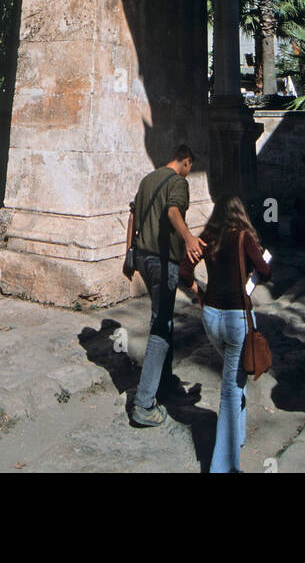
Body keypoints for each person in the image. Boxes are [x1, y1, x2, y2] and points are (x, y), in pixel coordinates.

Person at [180, 194, 271, 473]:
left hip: (211, 316)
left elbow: (184, 271)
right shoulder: (245, 237)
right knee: (231, 390)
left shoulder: (207, 237)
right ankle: (224, 467)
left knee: (236, 377)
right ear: (241, 213)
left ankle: (236, 438)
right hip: (236, 319)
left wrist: (200, 295)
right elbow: (265, 270)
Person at [126, 144, 204, 427]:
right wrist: (188, 238)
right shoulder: (178, 182)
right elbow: (173, 211)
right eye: (190, 166)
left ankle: (164, 384)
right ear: (185, 160)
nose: (189, 170)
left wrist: (128, 254)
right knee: (160, 328)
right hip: (162, 261)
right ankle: (144, 404)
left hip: (144, 260)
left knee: (163, 319)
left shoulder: (148, 179)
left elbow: (133, 214)